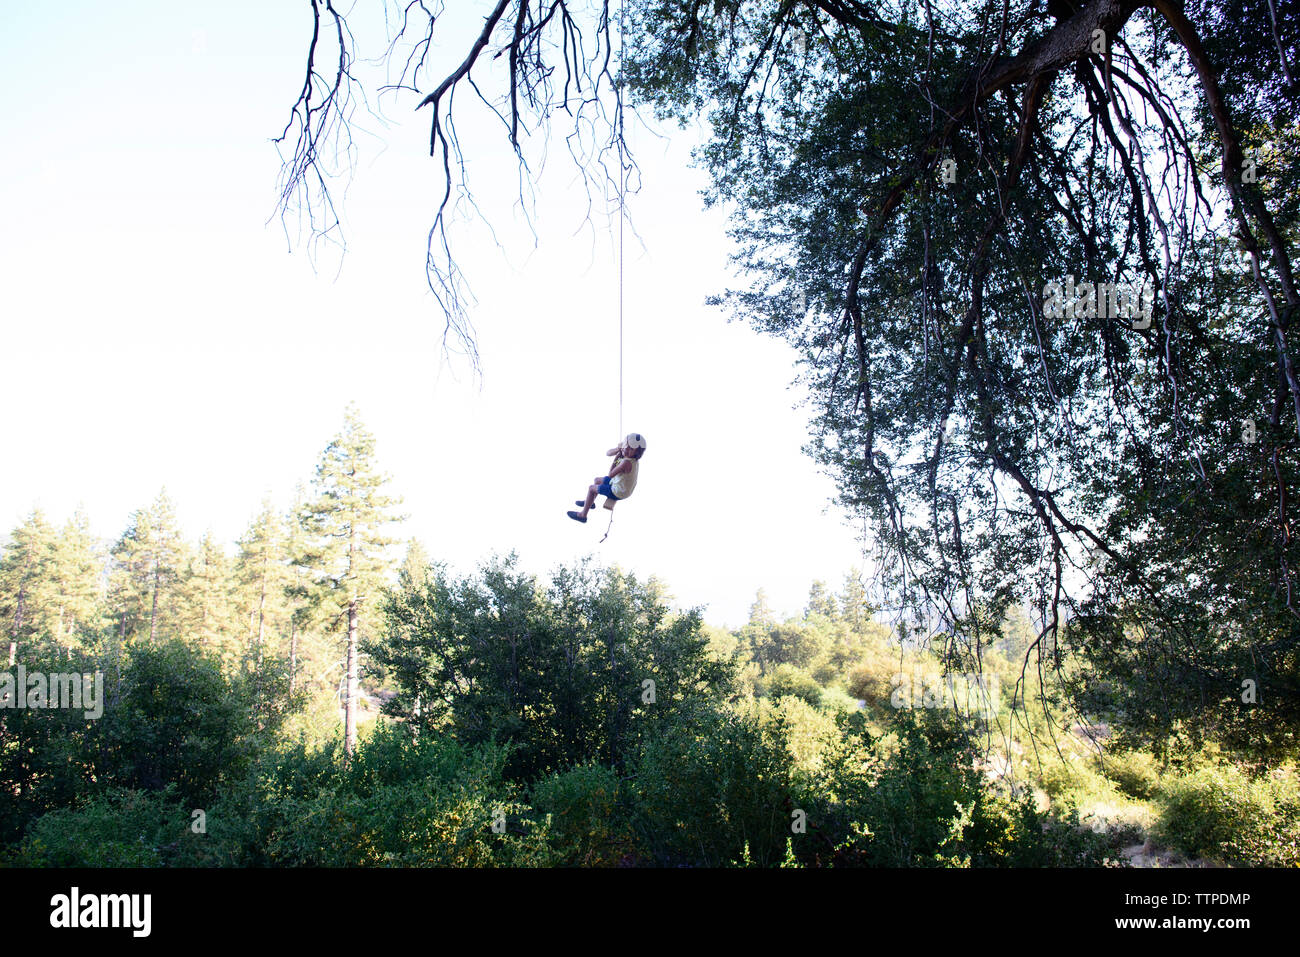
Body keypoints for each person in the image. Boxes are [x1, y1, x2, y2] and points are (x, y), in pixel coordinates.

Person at [567, 433, 647, 523]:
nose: (627, 449)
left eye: (631, 449)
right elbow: (608, 453)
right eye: (626, 445)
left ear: (637, 453)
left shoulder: (626, 463)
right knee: (597, 480)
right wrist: (618, 449)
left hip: (618, 491)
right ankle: (590, 502)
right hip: (622, 486)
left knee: (591, 488)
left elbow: (610, 474)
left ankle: (582, 515)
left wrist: (617, 457)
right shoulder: (632, 459)